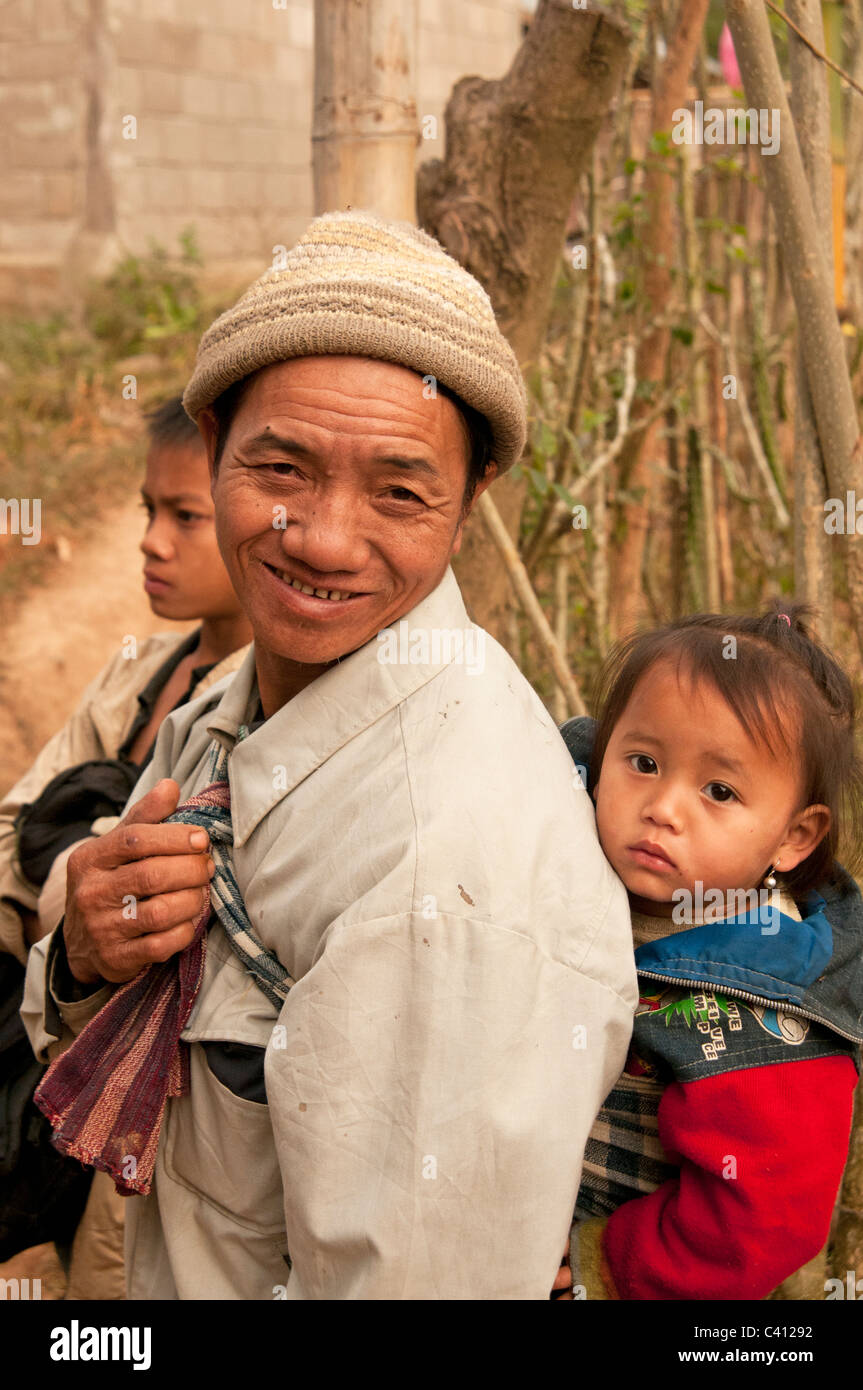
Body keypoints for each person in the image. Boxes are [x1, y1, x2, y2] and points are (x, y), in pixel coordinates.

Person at [23, 210, 638, 1300]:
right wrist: (83, 953)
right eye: (281, 466)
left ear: (469, 502)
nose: (321, 539)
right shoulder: (226, 708)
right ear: (212, 442)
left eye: (398, 491)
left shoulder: (456, 865)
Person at [2, 395, 251, 1297]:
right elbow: (12, 825)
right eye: (150, 510)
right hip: (51, 1045)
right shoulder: (136, 670)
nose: (151, 540)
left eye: (184, 517)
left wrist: (63, 869)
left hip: (150, 1120)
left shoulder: (256, 721)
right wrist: (85, 878)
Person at [559, 601, 863, 1300]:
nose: (663, 805)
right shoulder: (551, 824)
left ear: (793, 838)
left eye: (718, 790)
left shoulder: (767, 1011)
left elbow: (762, 1218)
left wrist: (607, 1266)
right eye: (642, 762)